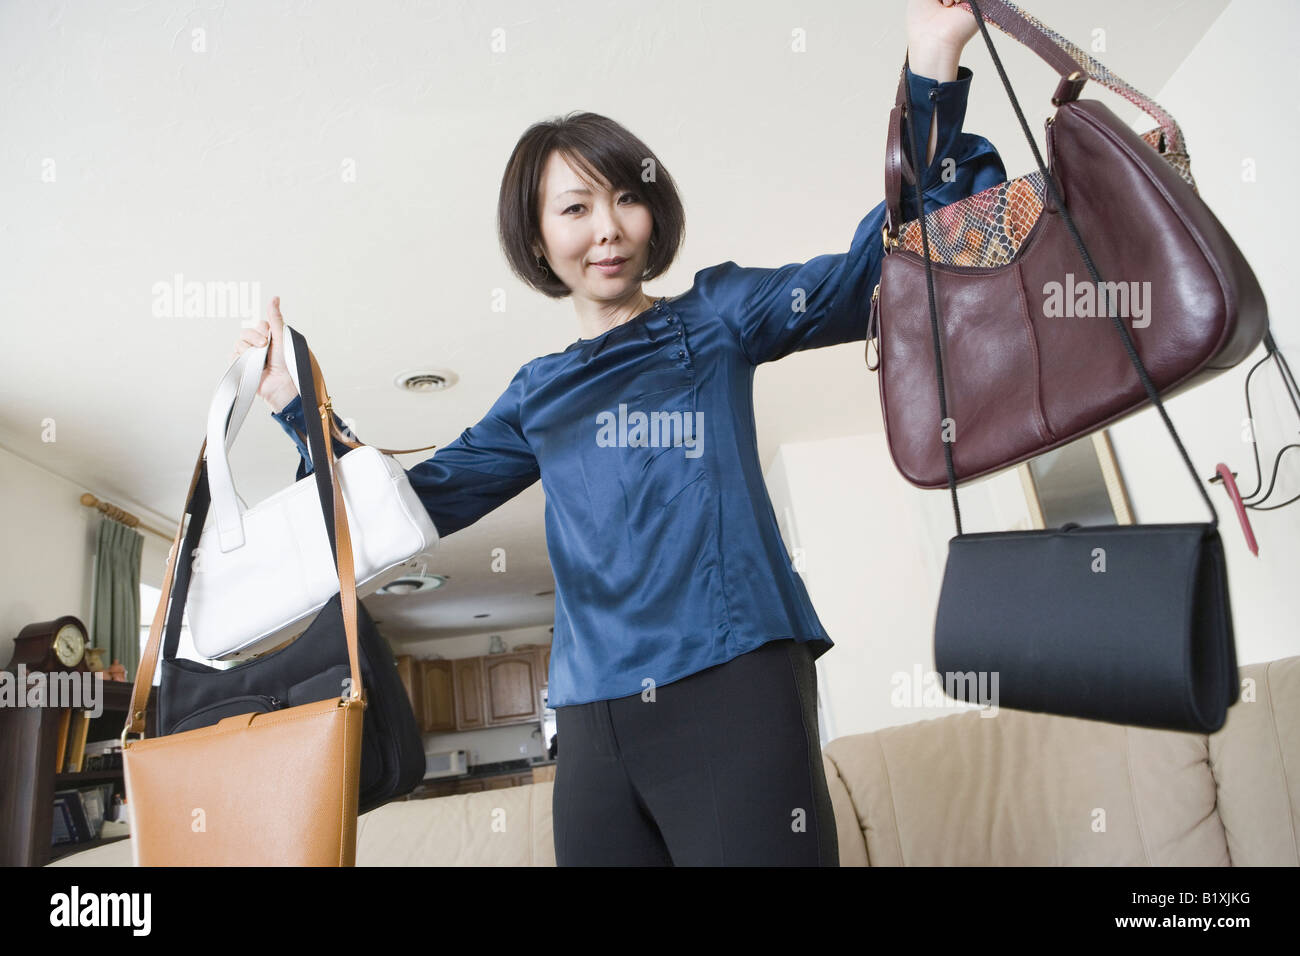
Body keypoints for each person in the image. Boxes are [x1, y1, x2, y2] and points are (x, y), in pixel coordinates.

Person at [233, 0, 1005, 866]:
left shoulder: (719, 316)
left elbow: (879, 262)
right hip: (593, 718)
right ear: (537, 235)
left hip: (732, 681)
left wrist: (932, 58)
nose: (608, 228)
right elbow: (410, 504)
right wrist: (297, 404)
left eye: (627, 199)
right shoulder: (539, 393)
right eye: (575, 209)